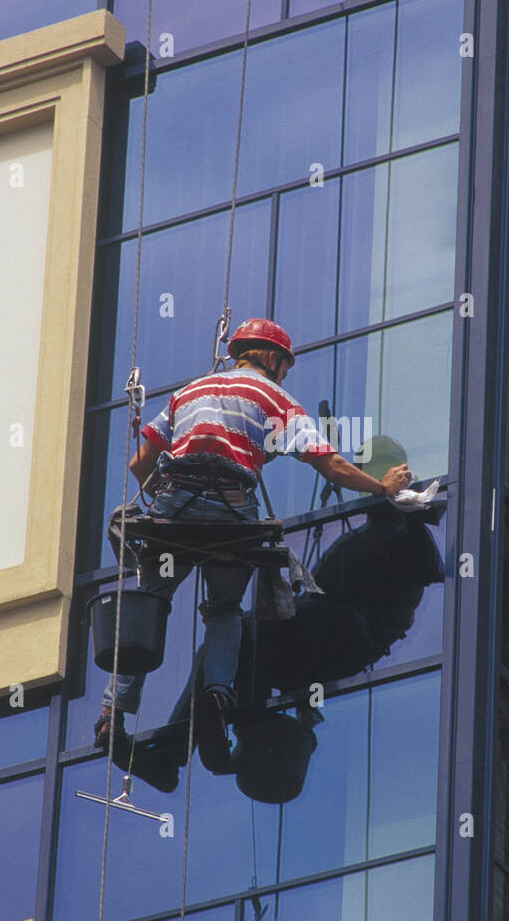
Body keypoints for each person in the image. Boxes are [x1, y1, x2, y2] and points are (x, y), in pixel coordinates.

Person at [96, 317, 411, 771]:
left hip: (172, 509)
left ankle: (113, 712)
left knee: (147, 606)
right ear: (270, 357)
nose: (285, 376)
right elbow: (332, 464)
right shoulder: (275, 398)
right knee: (225, 612)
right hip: (231, 515)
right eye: (284, 366)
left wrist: (169, 509)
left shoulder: (189, 391)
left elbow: (139, 464)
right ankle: (218, 697)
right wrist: (380, 488)